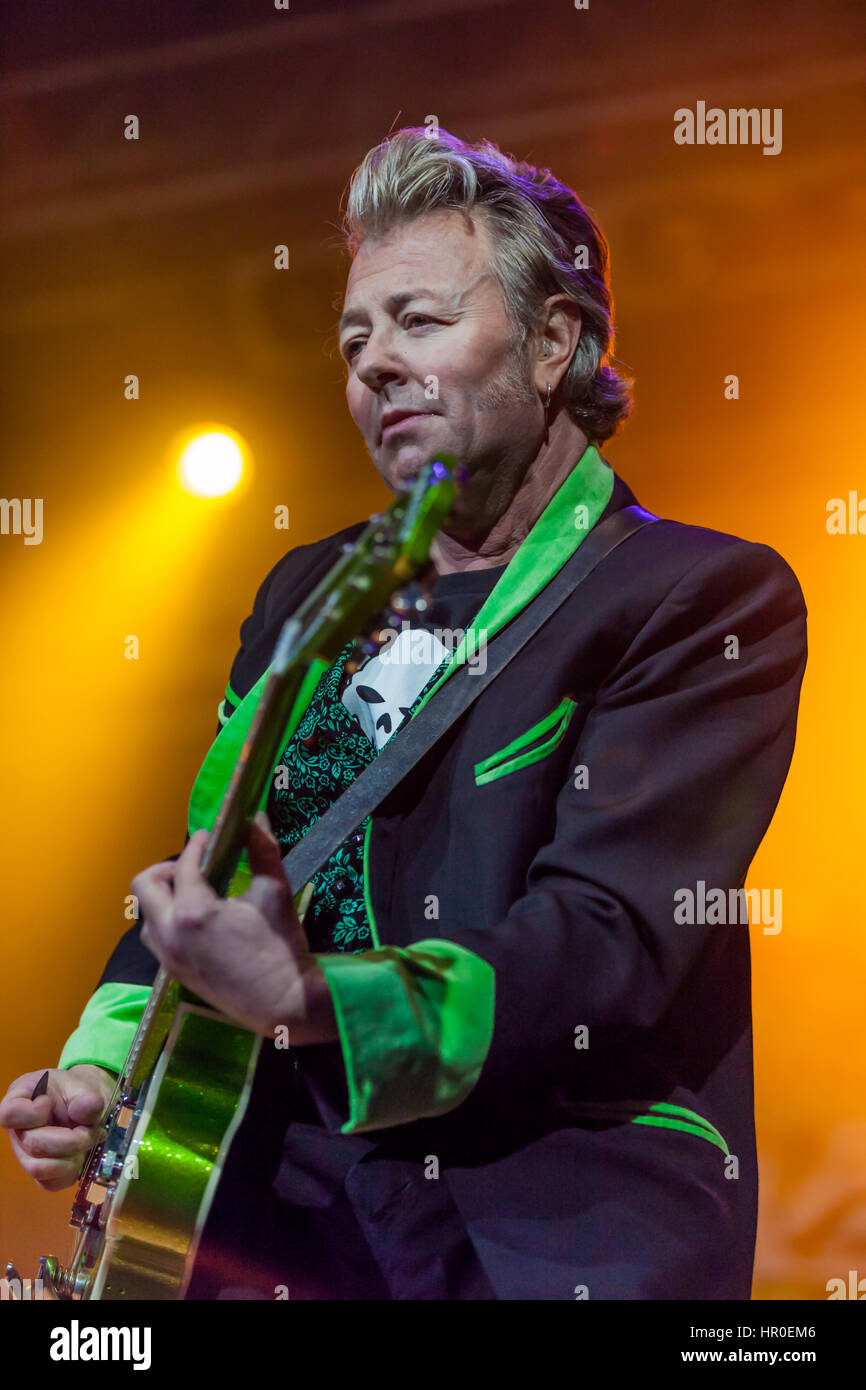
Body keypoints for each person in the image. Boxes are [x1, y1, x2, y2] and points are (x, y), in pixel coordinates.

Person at [1, 126, 807, 1300]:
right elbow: (210, 872)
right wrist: (96, 1073)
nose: (373, 361)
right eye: (353, 337)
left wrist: (314, 1000)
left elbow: (607, 942)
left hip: (539, 1228)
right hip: (270, 1220)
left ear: (551, 341)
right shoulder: (310, 590)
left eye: (417, 322)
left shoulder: (691, 595)